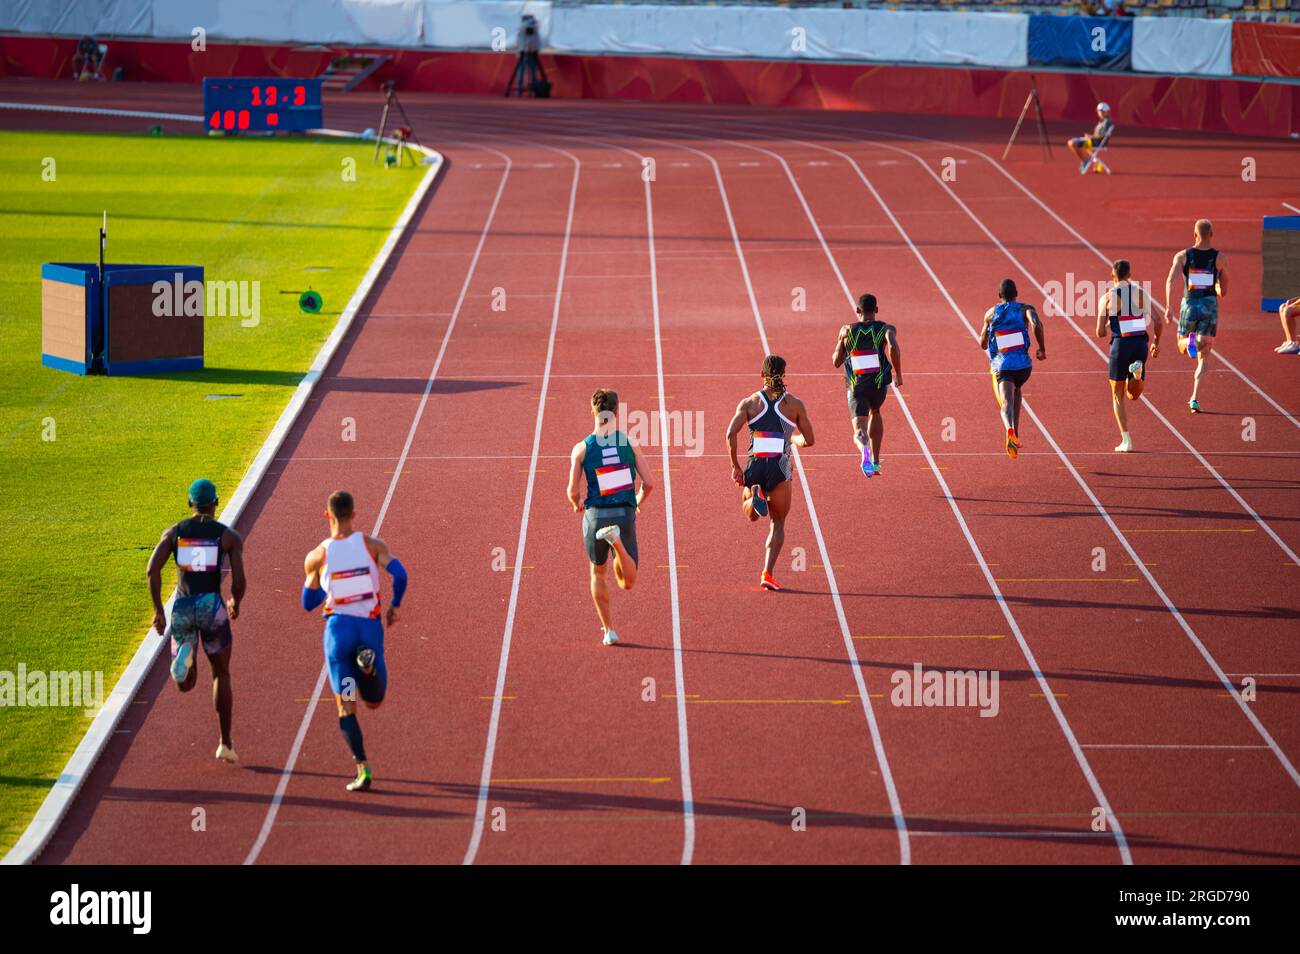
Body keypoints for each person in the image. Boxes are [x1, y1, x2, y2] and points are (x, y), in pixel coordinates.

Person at [302, 491, 407, 792]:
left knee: (347, 706)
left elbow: (307, 602)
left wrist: (331, 585)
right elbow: (400, 574)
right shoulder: (372, 546)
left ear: (327, 515)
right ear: (354, 515)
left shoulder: (317, 556)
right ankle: (369, 669)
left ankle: (363, 769)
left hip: (339, 636)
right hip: (368, 630)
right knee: (374, 700)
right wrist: (395, 604)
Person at [147, 478, 245, 764]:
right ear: (215, 503)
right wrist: (235, 601)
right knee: (221, 674)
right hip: (210, 606)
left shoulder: (174, 533)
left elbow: (152, 569)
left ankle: (185, 656)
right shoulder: (227, 536)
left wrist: (158, 611)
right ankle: (225, 743)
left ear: (190, 503)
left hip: (183, 607)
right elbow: (239, 578)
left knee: (185, 684)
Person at [567, 389, 655, 646]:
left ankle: (608, 631)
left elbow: (572, 491)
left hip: (595, 515)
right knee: (628, 582)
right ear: (616, 412)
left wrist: (576, 504)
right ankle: (617, 543)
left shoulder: (581, 448)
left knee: (597, 573)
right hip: (624, 513)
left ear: (592, 412)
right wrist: (637, 502)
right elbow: (650, 483)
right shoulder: (629, 443)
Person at [725, 355, 815, 592]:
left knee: (752, 515)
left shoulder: (750, 403)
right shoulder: (795, 405)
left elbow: (730, 433)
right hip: (779, 468)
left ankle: (755, 498)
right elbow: (810, 440)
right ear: (784, 375)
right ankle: (767, 573)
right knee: (778, 522)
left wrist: (735, 466)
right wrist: (793, 439)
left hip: (755, 465)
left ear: (761, 375)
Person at [832, 294, 901, 478]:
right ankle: (876, 462)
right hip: (878, 384)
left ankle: (864, 448)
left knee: (859, 428)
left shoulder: (847, 330)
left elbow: (836, 362)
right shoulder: (886, 328)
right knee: (875, 411)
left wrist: (841, 343)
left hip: (856, 385)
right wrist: (899, 374)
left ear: (858, 310)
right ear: (876, 310)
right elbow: (893, 346)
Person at [1095, 259, 1159, 452]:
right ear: (1129, 275)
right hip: (1140, 345)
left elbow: (1100, 332)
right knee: (1134, 394)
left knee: (1118, 395)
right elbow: (1158, 320)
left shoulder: (1107, 298)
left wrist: (1108, 325)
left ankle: (1126, 441)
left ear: (1112, 276)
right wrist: (1156, 342)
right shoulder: (1141, 294)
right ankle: (1136, 375)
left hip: (1120, 345)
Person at [1164, 219, 1227, 413]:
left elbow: (1170, 280)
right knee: (1204, 354)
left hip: (1189, 304)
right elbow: (1224, 291)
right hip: (1209, 306)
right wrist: (1216, 285)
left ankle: (1190, 341)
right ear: (1212, 235)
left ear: (1194, 235)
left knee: (1181, 344)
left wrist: (1169, 307)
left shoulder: (1183, 256)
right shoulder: (1220, 258)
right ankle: (1194, 398)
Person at [979, 279, 1045, 459]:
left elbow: (983, 343)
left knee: (1006, 402)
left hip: (1003, 367)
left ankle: (1009, 429)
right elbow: (1037, 324)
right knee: (1017, 390)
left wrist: (988, 335)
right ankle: (1016, 434)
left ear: (999, 296)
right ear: (1017, 294)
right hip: (1024, 368)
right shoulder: (1026, 309)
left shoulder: (991, 313)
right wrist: (1042, 349)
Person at [1068, 102, 1114, 173]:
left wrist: (1090, 136)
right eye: (1098, 111)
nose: (1099, 113)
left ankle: (1086, 160)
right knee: (1071, 142)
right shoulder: (1103, 120)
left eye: (1101, 111)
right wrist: (1090, 136)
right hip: (1093, 141)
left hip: (1095, 143)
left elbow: (1102, 136)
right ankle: (1089, 161)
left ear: (1106, 112)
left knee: (1072, 143)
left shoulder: (1107, 122)